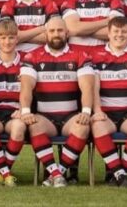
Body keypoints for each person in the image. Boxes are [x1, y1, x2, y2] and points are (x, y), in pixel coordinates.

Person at [17, 16, 96, 187]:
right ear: (45, 34)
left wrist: (86, 111)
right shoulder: (32, 56)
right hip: (46, 117)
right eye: (52, 31)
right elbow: (26, 87)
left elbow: (87, 87)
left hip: (70, 116)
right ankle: (57, 174)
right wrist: (25, 111)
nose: (56, 34)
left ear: (67, 33)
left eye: (60, 30)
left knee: (83, 127)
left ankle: (55, 173)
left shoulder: (81, 55)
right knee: (34, 125)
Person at [88, 16, 127, 186]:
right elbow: (93, 87)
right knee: (97, 125)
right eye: (115, 31)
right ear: (108, 33)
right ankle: (121, 175)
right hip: (105, 113)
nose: (120, 35)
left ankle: (118, 172)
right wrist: (97, 110)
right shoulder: (96, 56)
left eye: (124, 31)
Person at [0, 19, 27, 186]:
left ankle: (1, 172)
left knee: (19, 127)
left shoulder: (26, 63)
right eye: (3, 38)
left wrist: (23, 109)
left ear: (17, 39)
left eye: (10, 37)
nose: (7, 42)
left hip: (15, 112)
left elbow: (29, 91)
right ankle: (6, 173)